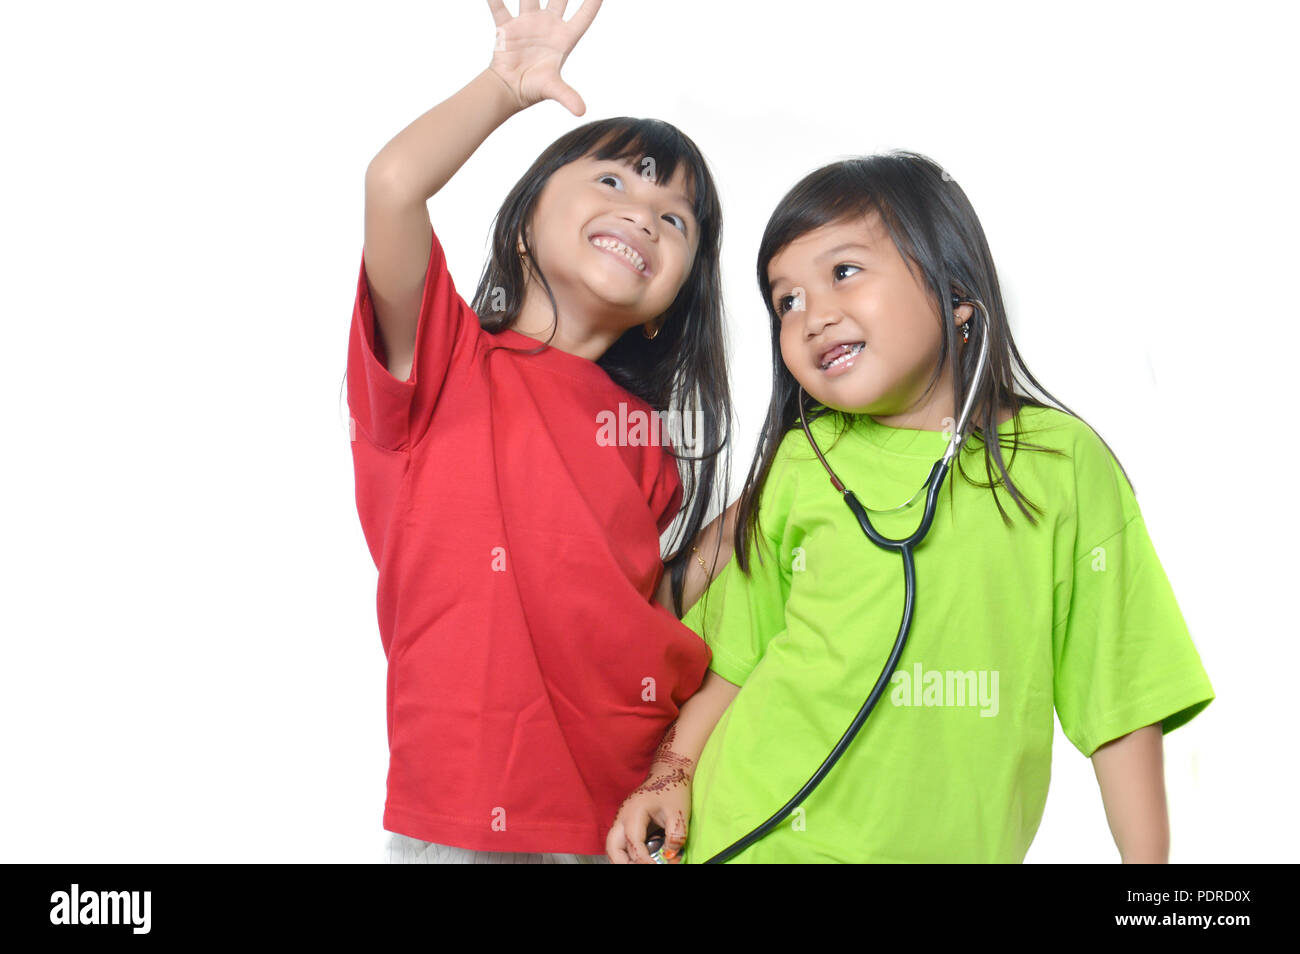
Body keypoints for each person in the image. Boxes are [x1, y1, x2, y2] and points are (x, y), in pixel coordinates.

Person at [607, 151, 1215, 864]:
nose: (813, 316)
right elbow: (735, 664)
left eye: (843, 272)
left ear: (956, 291)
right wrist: (670, 775)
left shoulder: (1060, 463)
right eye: (787, 301)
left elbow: (1122, 698)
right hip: (749, 836)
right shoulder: (804, 461)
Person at [346, 0, 734, 863]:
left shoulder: (645, 437)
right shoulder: (443, 359)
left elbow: (639, 613)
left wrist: (741, 526)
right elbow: (392, 186)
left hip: (624, 816)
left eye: (676, 219)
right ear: (524, 223)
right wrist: (503, 84)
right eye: (614, 181)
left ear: (669, 304)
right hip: (466, 808)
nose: (644, 213)